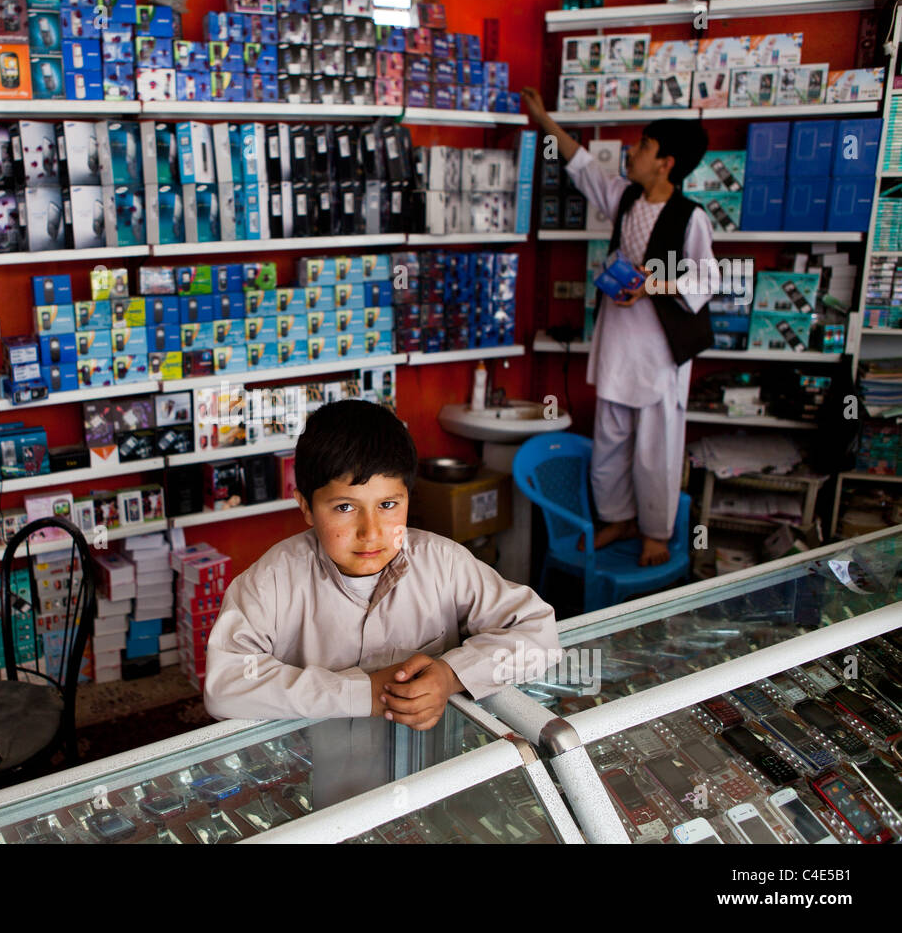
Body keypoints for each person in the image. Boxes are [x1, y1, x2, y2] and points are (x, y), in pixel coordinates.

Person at [203, 399, 560, 729]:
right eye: (344, 507)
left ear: (408, 498)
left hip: (427, 763)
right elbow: (226, 684)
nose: (370, 533)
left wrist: (451, 674)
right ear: (306, 507)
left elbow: (538, 632)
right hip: (315, 770)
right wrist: (365, 692)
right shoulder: (271, 582)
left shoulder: (445, 564)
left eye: (388, 505)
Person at [522, 87, 714, 567]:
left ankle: (656, 531)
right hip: (616, 342)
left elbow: (709, 275)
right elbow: (584, 168)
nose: (632, 152)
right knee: (609, 442)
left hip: (659, 348)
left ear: (666, 162)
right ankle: (618, 519)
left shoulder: (692, 217)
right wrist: (544, 118)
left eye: (643, 147)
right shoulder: (625, 198)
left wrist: (655, 284)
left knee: (656, 448)